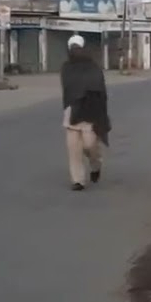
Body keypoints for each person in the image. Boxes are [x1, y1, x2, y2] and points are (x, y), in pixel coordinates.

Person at [59, 34, 111, 191]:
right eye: (72, 48)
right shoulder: (66, 68)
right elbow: (67, 89)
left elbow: (101, 90)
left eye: (77, 48)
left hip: (90, 111)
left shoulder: (94, 67)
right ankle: (78, 180)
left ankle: (96, 165)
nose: (75, 51)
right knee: (73, 148)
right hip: (72, 112)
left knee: (90, 146)